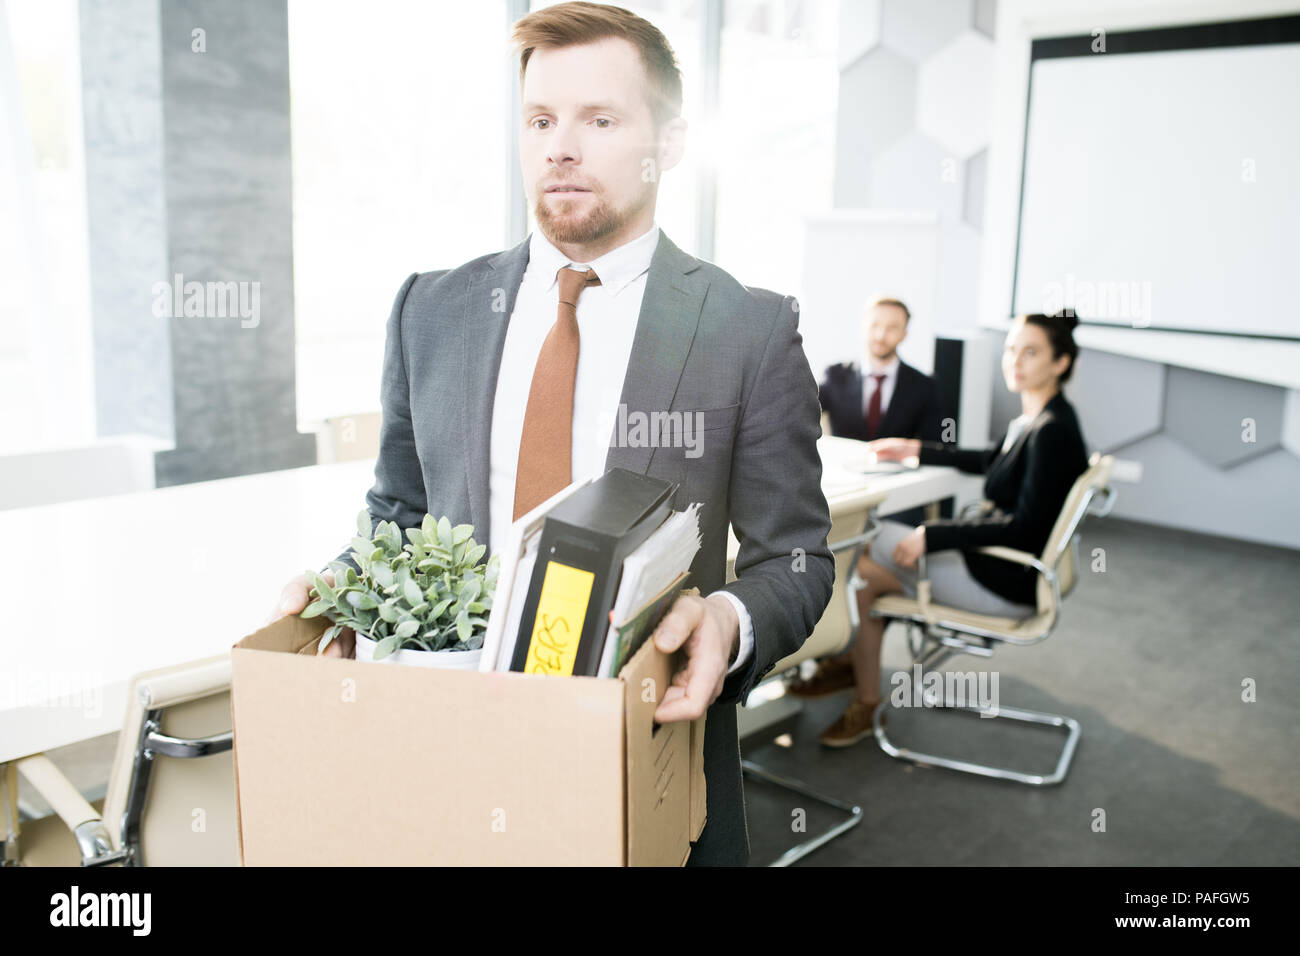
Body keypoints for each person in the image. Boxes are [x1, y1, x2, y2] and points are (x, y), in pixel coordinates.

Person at [267, 1, 833, 865]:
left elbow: (794, 558)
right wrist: (346, 585)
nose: (560, 146)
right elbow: (400, 511)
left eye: (600, 119)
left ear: (668, 142)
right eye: (539, 120)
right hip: (447, 751)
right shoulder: (433, 310)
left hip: (643, 757)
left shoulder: (746, 330)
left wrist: (726, 619)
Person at [804, 312, 1089, 746]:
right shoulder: (1041, 419)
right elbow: (991, 462)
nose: (1015, 360)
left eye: (1031, 352)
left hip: (1004, 581)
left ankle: (856, 679)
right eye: (1012, 349)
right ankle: (855, 667)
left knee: (863, 548)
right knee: (861, 568)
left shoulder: (1051, 432)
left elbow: (1025, 530)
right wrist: (917, 450)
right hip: (1000, 567)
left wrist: (931, 536)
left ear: (1060, 363)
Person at [818, 296, 943, 446]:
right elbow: (799, 415)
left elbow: (938, 444)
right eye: (874, 325)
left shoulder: (925, 386)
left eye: (892, 328)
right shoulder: (834, 376)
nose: (880, 335)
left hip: (899, 468)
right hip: (843, 466)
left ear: (904, 334)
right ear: (863, 326)